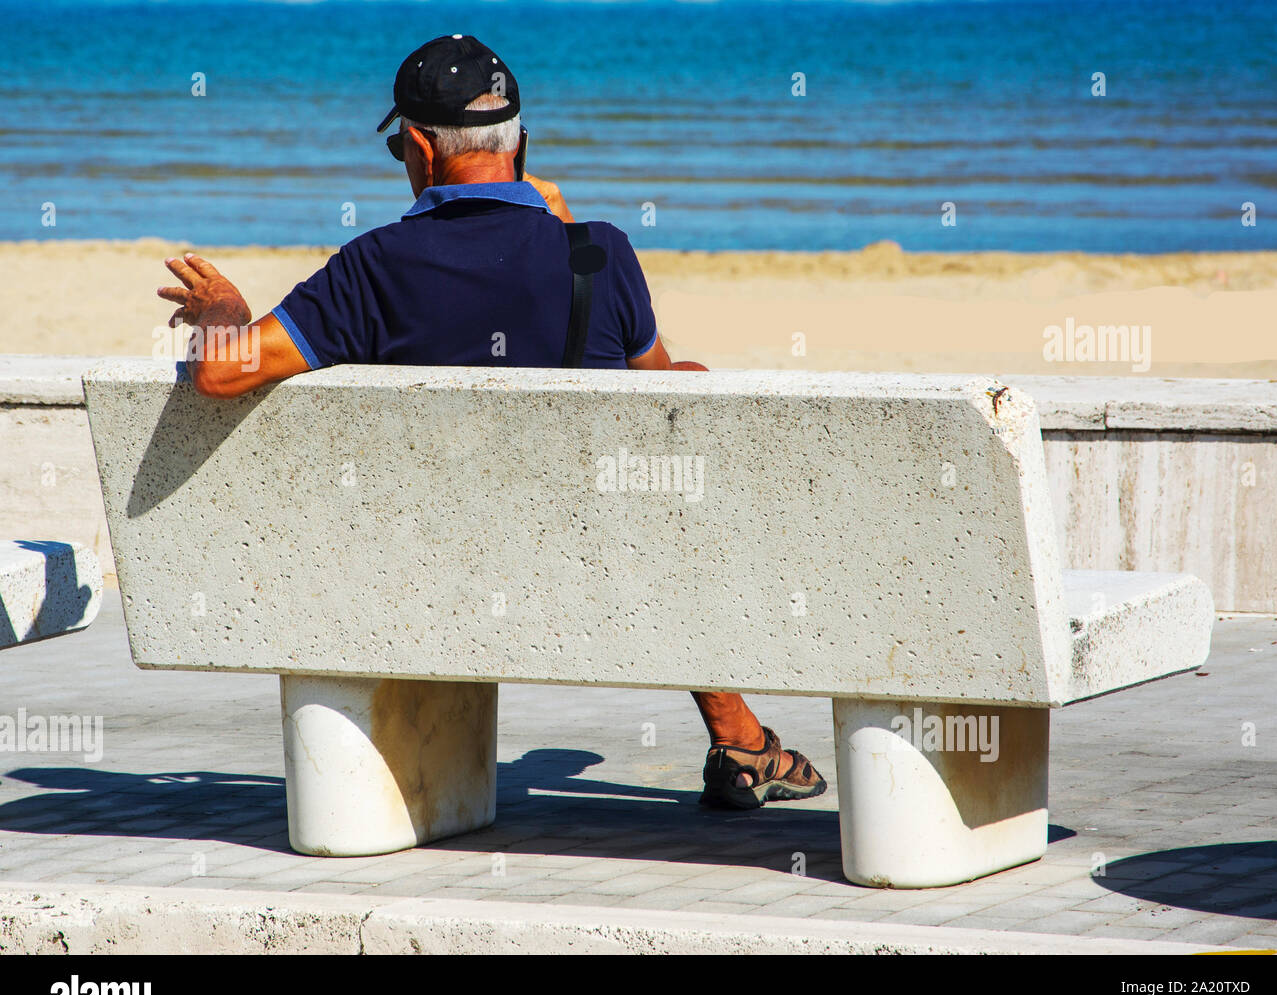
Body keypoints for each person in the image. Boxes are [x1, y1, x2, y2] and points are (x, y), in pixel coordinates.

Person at [155, 34, 826, 810]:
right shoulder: (600, 256)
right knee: (669, 468)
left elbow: (220, 371)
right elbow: (667, 393)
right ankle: (741, 740)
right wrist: (568, 239)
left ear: (417, 149)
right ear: (522, 144)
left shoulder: (373, 269)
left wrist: (226, 314)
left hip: (423, 581)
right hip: (608, 579)